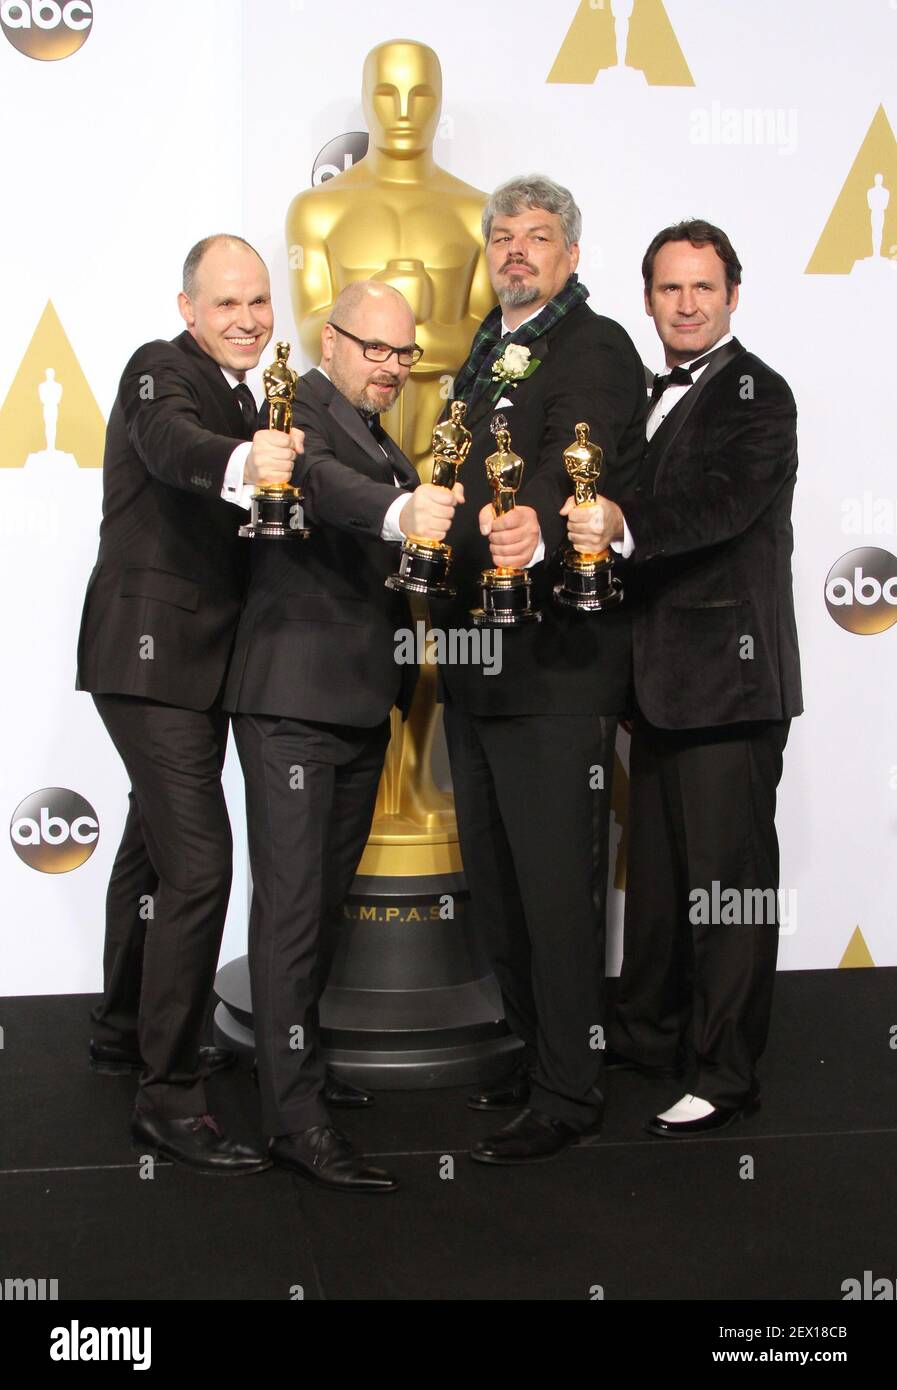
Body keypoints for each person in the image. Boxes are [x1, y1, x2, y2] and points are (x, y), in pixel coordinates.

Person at [564, 218, 802, 1135]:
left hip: (729, 688)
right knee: (658, 884)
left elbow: (722, 505)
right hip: (656, 687)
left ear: (732, 295)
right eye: (670, 288)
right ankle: (647, 1032)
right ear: (648, 297)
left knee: (728, 886)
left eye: (703, 287)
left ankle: (727, 1070)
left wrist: (620, 522)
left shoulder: (757, 394)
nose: (688, 303)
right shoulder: (646, 394)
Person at [224, 281, 462, 1192]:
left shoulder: (379, 432)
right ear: (331, 342)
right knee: (290, 912)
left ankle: (297, 1075)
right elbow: (322, 487)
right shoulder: (302, 416)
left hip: (358, 705)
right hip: (292, 705)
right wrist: (403, 513)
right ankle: (293, 1120)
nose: (391, 369)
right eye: (375, 349)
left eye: (404, 356)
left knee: (318, 906)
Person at [431, 174, 647, 1164]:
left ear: (570, 254)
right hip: (480, 663)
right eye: (503, 235)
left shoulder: (593, 345)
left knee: (557, 888)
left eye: (539, 236)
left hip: (554, 662)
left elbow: (580, 459)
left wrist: (543, 533)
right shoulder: (484, 351)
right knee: (505, 882)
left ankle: (571, 1086)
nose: (517, 249)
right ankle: (539, 1054)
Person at [77, 234, 300, 1174]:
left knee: (150, 847)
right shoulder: (155, 372)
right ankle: (167, 1097)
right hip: (148, 656)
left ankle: (124, 1026)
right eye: (226, 305)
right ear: (187, 310)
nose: (247, 320)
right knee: (201, 865)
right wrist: (257, 461)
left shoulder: (259, 395)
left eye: (259, 304)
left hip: (203, 665)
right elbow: (175, 447)